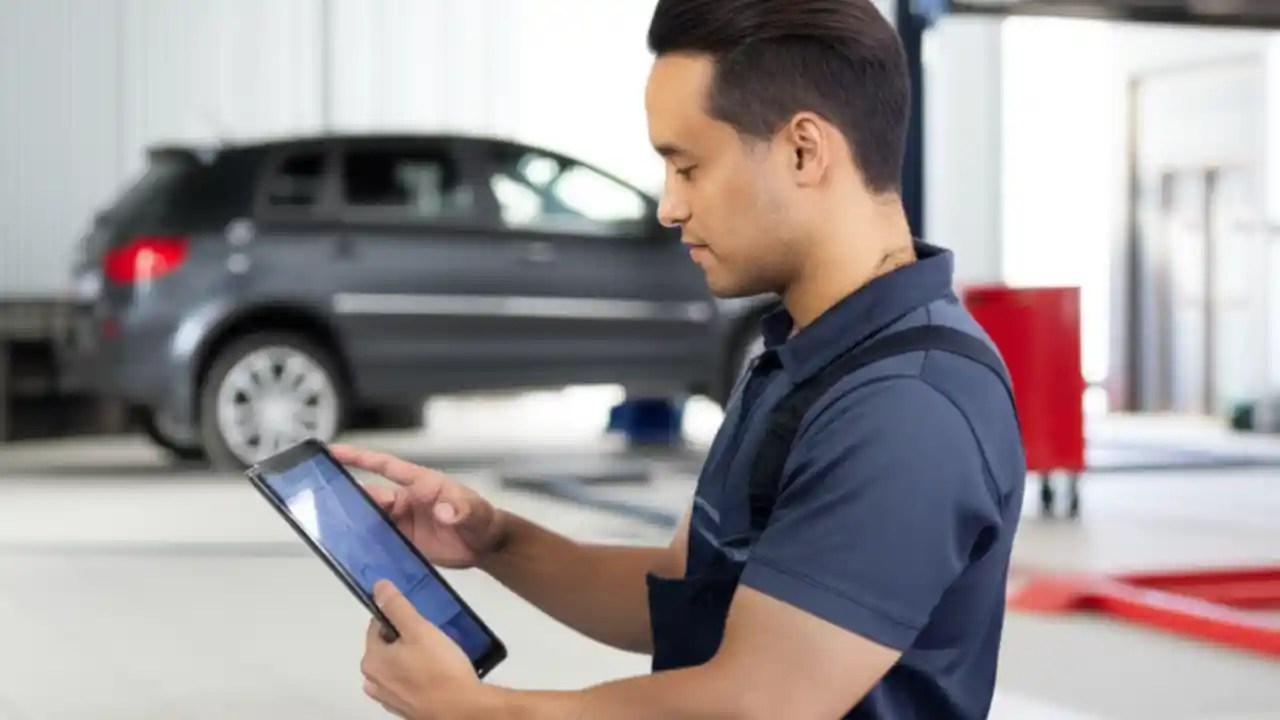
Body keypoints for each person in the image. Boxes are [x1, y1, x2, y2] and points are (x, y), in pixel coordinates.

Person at [342, 0, 1027, 717]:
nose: (669, 207)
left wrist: (478, 710)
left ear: (803, 150)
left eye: (688, 167)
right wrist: (496, 539)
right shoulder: (803, 357)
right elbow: (687, 583)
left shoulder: (906, 407)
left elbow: (755, 704)